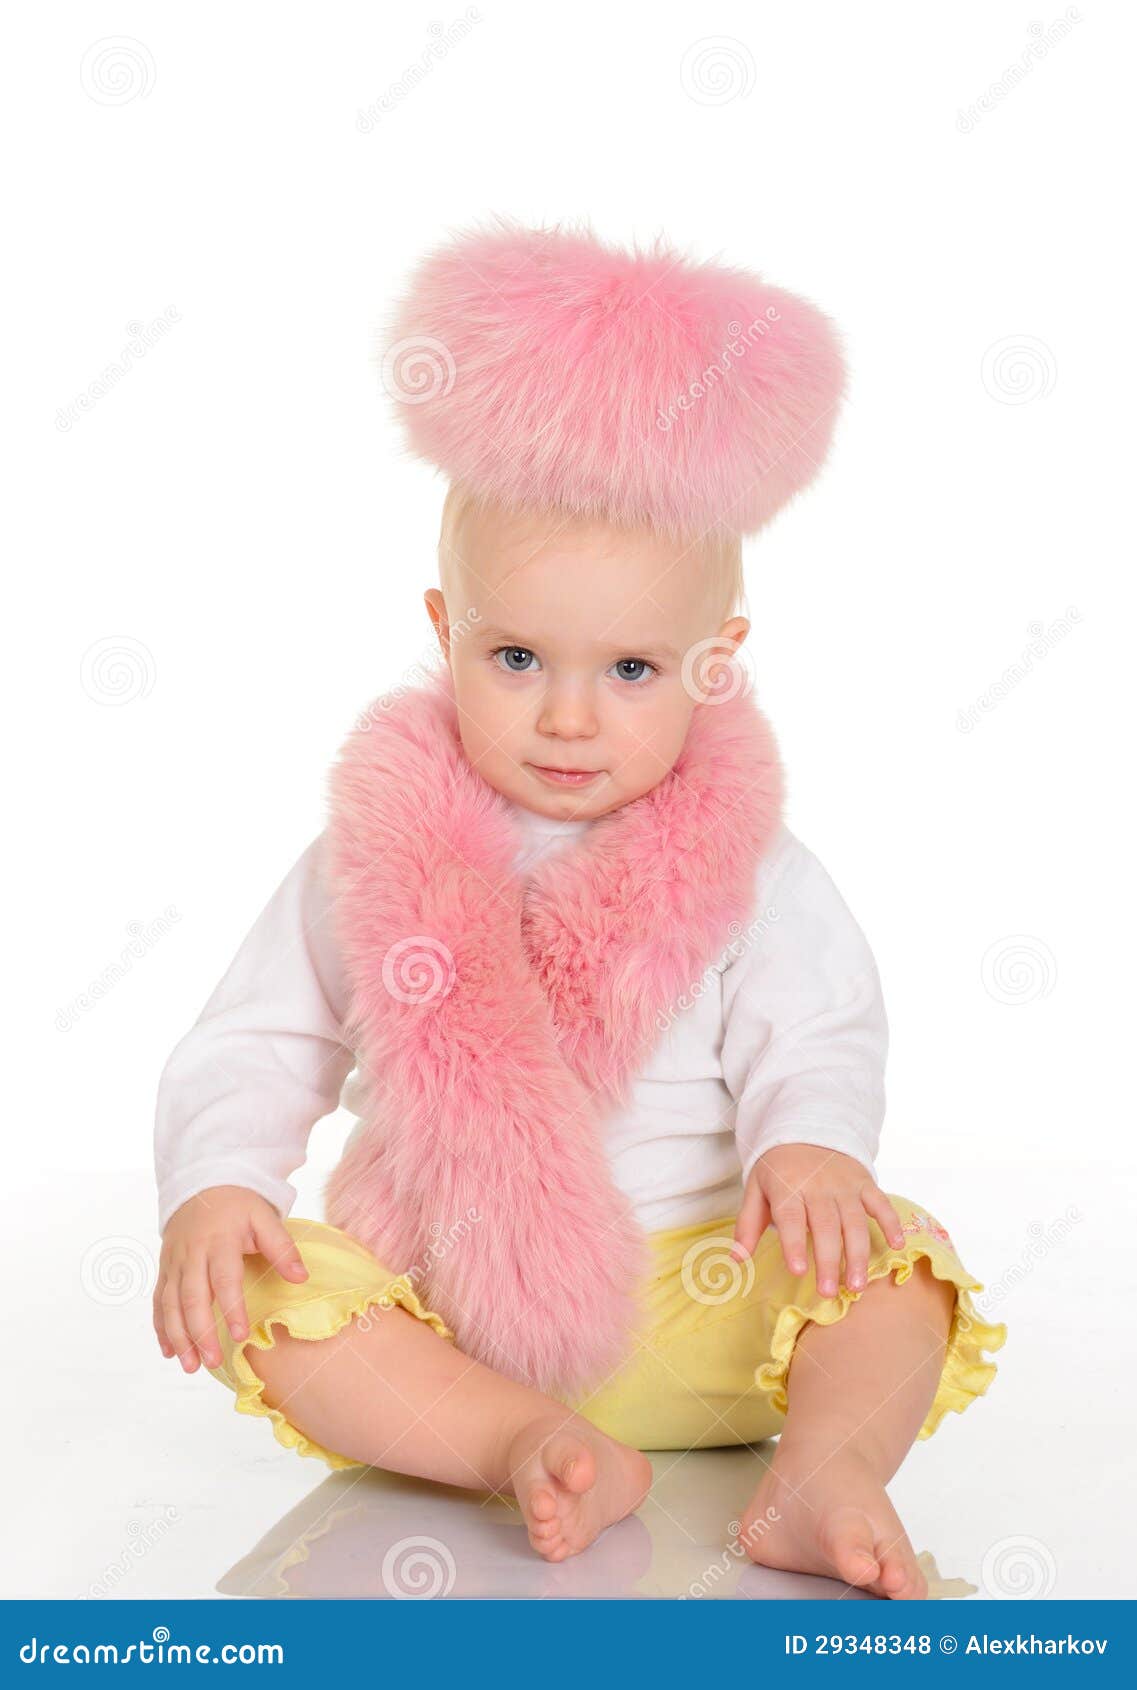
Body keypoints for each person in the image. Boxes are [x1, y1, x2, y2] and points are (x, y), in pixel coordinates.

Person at [153, 217, 1006, 1598]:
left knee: (897, 1258)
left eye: (627, 669)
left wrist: (810, 1147)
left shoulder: (754, 867)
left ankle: (824, 1467)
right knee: (274, 1285)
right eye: (514, 656)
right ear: (444, 629)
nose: (565, 714)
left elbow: (821, 1030)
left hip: (709, 1298)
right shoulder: (370, 855)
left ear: (712, 663)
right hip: (453, 1314)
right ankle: (521, 1443)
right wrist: (214, 1187)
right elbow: (257, 1042)